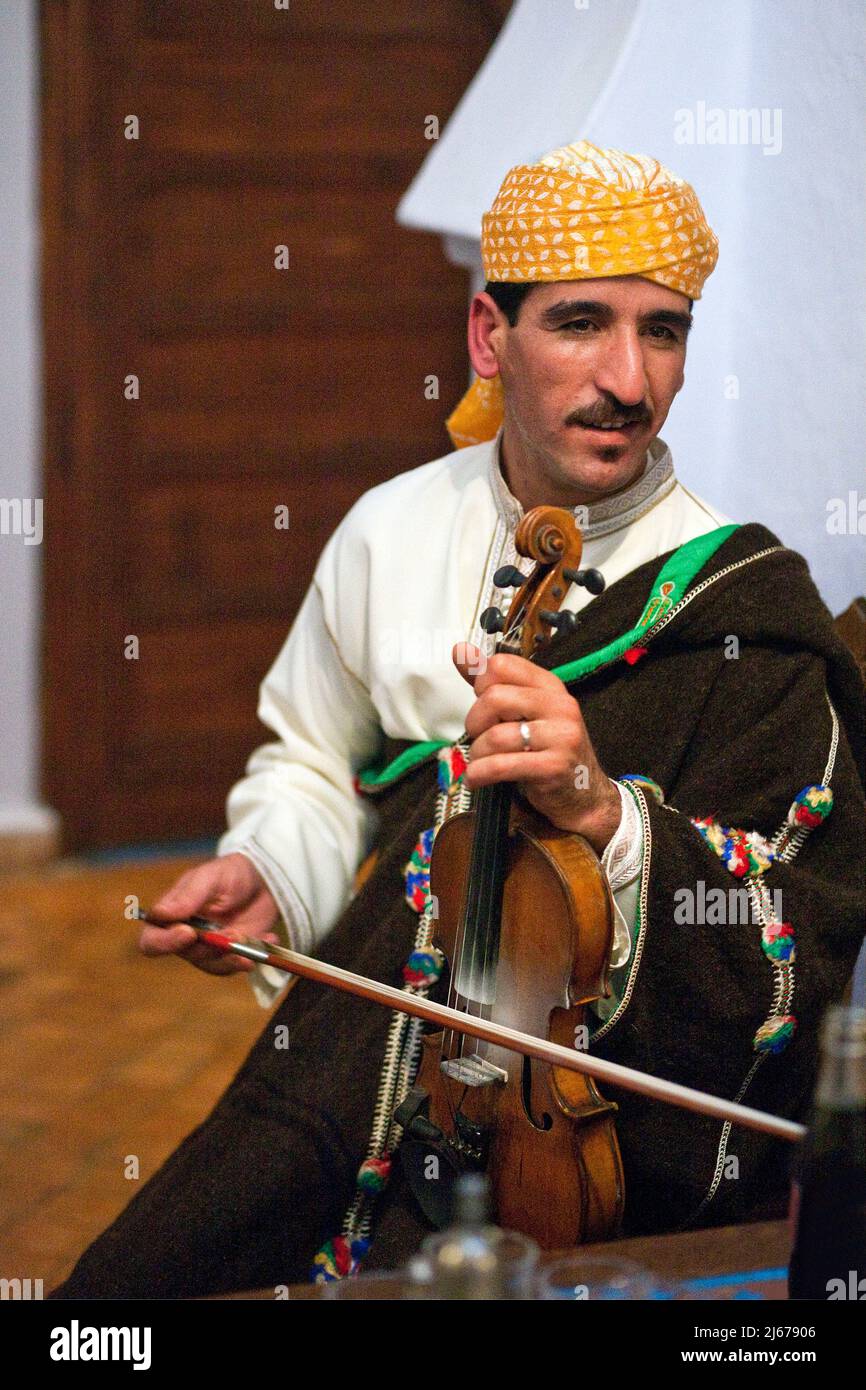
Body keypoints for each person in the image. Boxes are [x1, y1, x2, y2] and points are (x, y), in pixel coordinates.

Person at [50, 140, 865, 1299]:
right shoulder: (387, 531)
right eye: (581, 323)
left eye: (663, 331)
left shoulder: (737, 604)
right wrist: (272, 869)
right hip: (359, 1090)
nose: (627, 381)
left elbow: (797, 924)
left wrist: (602, 816)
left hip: (605, 1153)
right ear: (489, 335)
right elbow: (317, 760)